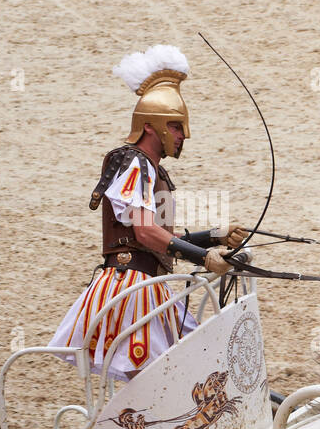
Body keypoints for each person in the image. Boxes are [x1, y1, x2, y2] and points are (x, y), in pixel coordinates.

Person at [50, 45, 245, 381]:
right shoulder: (134, 163)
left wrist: (214, 235)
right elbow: (144, 233)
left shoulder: (156, 172)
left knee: (191, 366)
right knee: (166, 377)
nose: (184, 136)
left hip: (150, 282)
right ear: (152, 126)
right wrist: (205, 257)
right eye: (177, 127)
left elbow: (162, 239)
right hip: (131, 286)